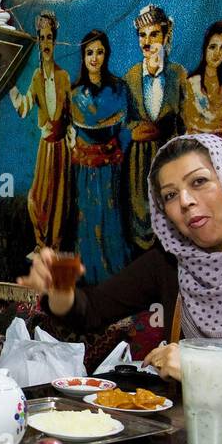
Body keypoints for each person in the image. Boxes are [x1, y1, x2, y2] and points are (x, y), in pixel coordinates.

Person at [17, 133, 222, 400]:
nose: (186, 202)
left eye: (199, 182)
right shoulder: (171, 262)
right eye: (169, 195)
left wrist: (205, 368)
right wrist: (60, 291)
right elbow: (93, 312)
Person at [123, 4, 188, 253]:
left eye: (154, 35)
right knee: (139, 213)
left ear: (165, 36)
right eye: (142, 35)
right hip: (137, 160)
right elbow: (125, 119)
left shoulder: (177, 74)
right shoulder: (129, 77)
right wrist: (134, 131)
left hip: (167, 156)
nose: (147, 42)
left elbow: (184, 118)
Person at [68, 28, 132, 284]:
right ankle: (87, 277)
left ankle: (114, 278)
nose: (95, 58)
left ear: (107, 55)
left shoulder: (119, 90)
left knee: (111, 219)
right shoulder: (75, 94)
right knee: (86, 218)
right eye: (89, 52)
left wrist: (115, 152)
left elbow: (126, 129)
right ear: (83, 57)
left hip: (111, 168)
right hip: (83, 170)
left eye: (100, 52)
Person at [9, 10, 75, 251]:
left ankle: (54, 247)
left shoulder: (63, 77)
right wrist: (10, 87)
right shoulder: (36, 76)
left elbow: (71, 114)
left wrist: (72, 142)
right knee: (37, 198)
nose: (46, 43)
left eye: (49, 38)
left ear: (55, 41)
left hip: (61, 147)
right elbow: (24, 107)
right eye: (42, 38)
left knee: (59, 198)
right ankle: (40, 243)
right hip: (45, 145)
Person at [182, 20, 222, 142]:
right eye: (213, 47)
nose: (217, 53)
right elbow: (190, 125)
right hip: (195, 151)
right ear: (205, 48)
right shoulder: (192, 84)